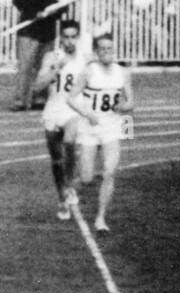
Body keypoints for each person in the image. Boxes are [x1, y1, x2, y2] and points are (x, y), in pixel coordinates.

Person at [68, 33, 133, 234]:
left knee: (109, 171)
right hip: (89, 126)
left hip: (112, 126)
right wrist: (87, 113)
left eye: (110, 49)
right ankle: (70, 189)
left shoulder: (123, 72)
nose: (107, 52)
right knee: (87, 177)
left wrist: (123, 106)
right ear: (96, 52)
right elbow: (71, 98)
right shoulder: (89, 71)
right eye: (103, 49)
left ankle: (101, 217)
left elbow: (131, 102)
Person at [32, 17, 86, 219]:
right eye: (66, 37)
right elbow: (37, 87)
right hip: (54, 110)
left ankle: (70, 184)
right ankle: (62, 197)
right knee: (56, 160)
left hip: (73, 109)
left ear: (78, 37)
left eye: (74, 37)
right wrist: (55, 69)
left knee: (70, 142)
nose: (70, 41)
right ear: (61, 38)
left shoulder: (85, 58)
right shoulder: (51, 57)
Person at [10, 0, 68, 111]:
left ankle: (40, 99)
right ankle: (20, 100)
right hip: (29, 30)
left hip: (48, 31)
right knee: (25, 66)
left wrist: (54, 12)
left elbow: (63, 6)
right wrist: (34, 12)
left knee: (44, 67)